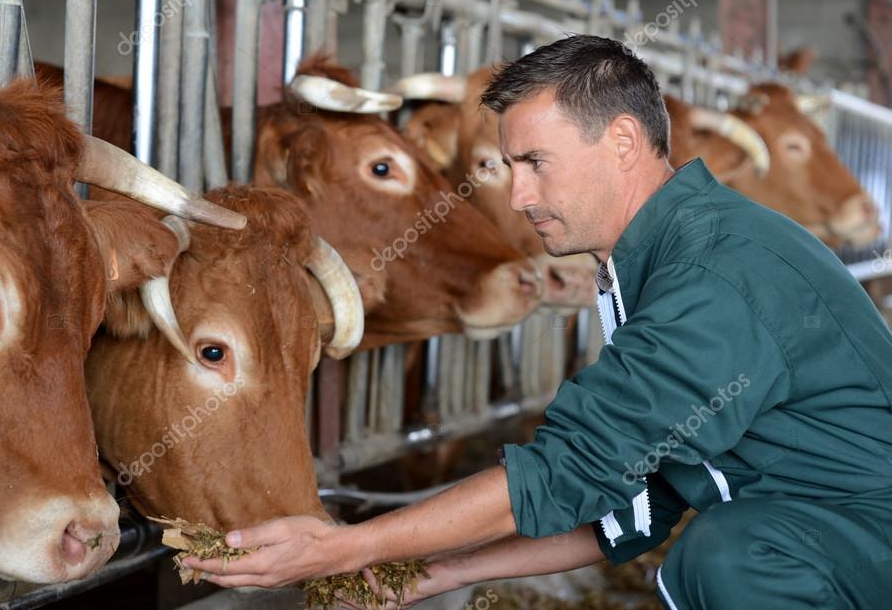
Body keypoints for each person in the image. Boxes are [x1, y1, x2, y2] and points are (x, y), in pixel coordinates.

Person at [182, 35, 892, 609]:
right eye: (509, 165)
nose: (518, 195)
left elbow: (570, 469)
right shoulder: (674, 250)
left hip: (864, 535)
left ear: (620, 140)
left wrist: (344, 546)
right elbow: (638, 498)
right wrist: (433, 573)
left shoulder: (712, 275)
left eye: (534, 163)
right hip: (842, 528)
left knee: (728, 557)